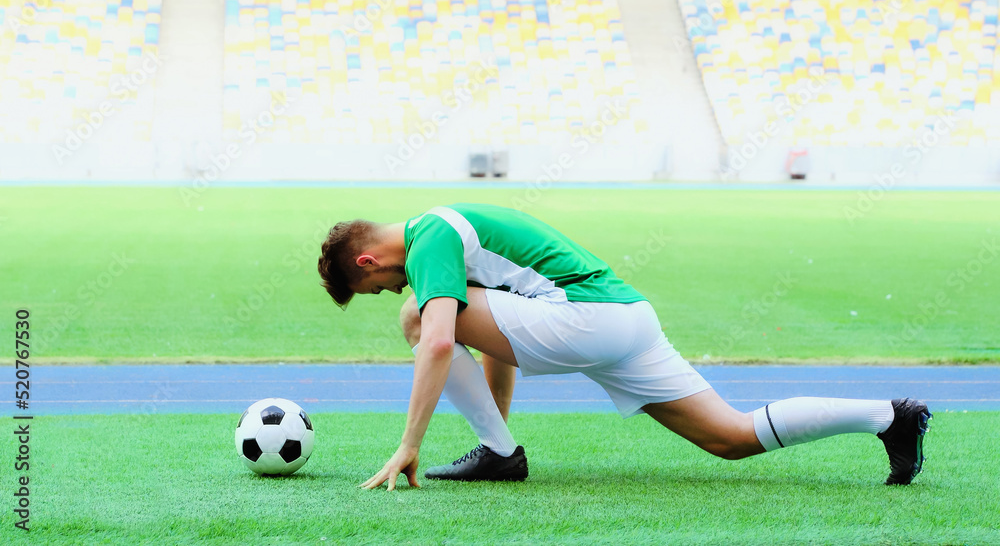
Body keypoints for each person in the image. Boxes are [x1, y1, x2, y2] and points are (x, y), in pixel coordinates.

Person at [316, 203, 931, 491]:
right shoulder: (451, 236)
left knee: (419, 317)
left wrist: (409, 445)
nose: (387, 288)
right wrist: (495, 433)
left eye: (373, 285)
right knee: (731, 437)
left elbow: (438, 342)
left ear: (368, 261)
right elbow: (495, 336)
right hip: (628, 319)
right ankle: (891, 417)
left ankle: (500, 454)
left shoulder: (429, 239)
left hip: (586, 319)